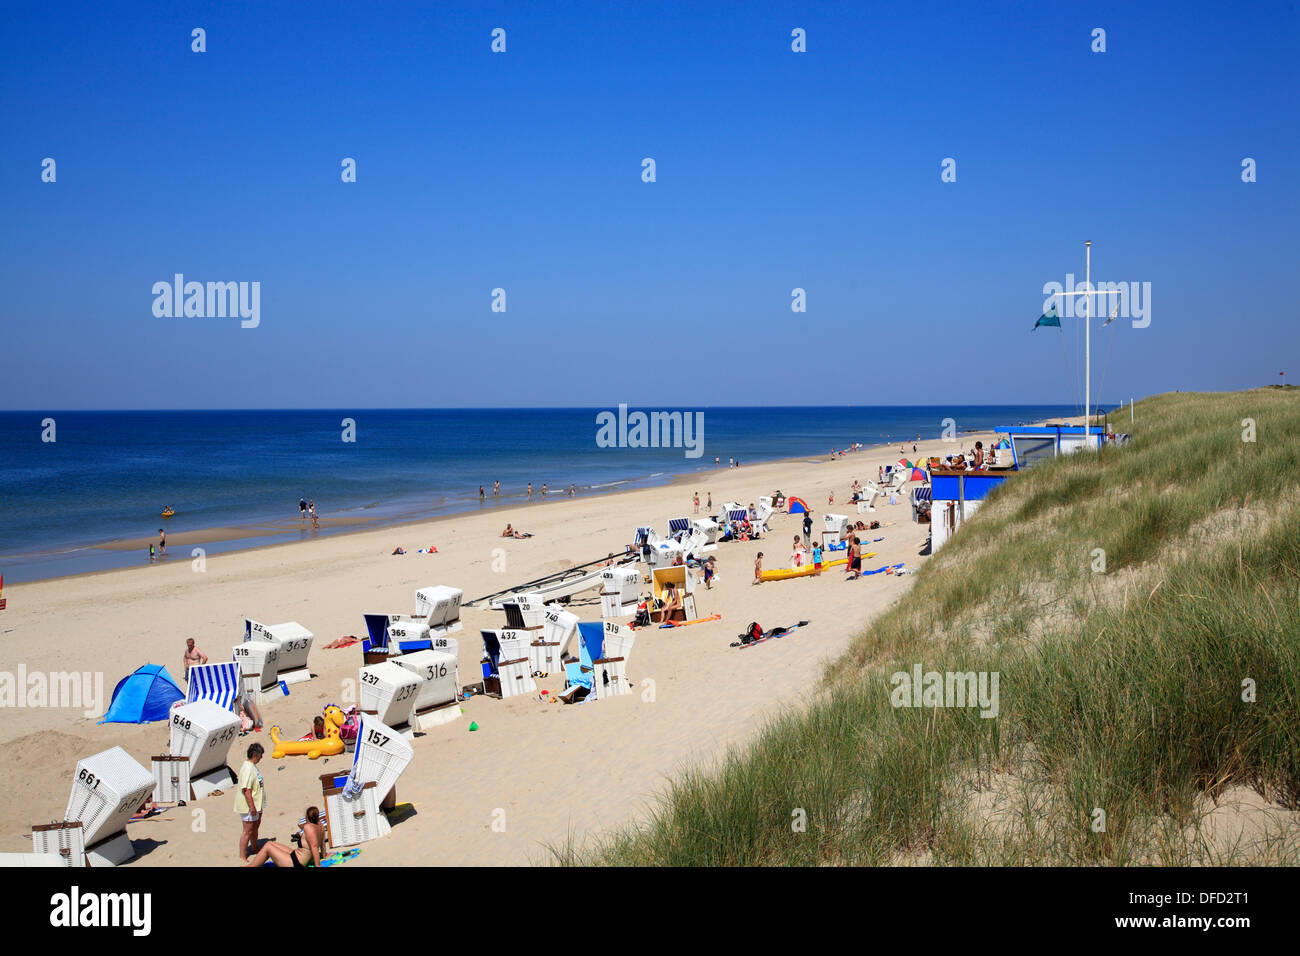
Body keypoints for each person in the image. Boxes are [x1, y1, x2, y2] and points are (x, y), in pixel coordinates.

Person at [243, 806, 325, 868]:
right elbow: (322, 843)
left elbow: (314, 846)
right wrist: (324, 855)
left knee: (268, 847)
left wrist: (317, 865)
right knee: (270, 843)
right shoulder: (320, 825)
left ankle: (251, 866)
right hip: (297, 855)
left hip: (296, 862)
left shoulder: (308, 828)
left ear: (307, 816)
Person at [235, 743, 266, 862]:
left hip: (256, 804)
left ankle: (255, 848)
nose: (261, 758)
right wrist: (252, 806)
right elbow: (246, 789)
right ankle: (242, 855)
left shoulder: (252, 766)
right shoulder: (247, 768)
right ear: (255, 755)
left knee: (255, 827)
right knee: (247, 831)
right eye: (260, 755)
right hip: (248, 805)